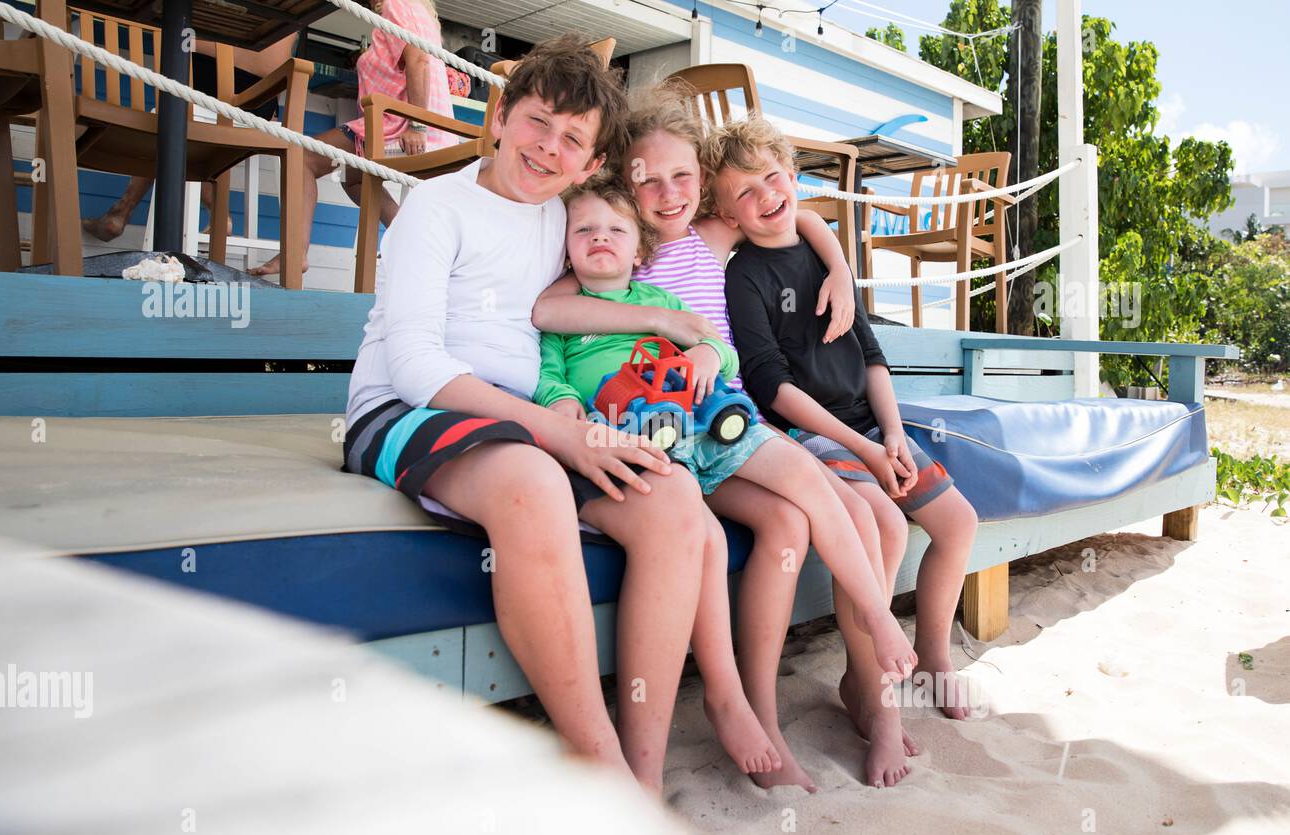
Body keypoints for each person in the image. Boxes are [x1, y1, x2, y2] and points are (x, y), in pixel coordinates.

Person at [342, 35, 713, 794]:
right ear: (502, 115)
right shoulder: (439, 205)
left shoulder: (565, 222)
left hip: (529, 419)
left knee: (673, 498)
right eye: (538, 122)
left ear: (590, 164)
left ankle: (643, 780)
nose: (549, 149)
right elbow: (413, 362)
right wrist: (557, 432)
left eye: (573, 140)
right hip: (407, 408)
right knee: (535, 481)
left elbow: (636, 269)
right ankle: (597, 764)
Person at [533, 86, 912, 788]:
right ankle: (737, 702)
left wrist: (839, 270)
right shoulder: (615, 246)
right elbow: (551, 309)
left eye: (685, 178)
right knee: (757, 519)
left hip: (725, 420)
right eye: (650, 180)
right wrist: (673, 333)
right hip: (654, 433)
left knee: (807, 512)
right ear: (625, 183)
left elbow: (799, 214)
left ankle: (794, 695)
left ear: (703, 185)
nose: (670, 194)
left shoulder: (709, 234)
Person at [710, 115, 981, 770]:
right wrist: (860, 449)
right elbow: (770, 384)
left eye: (772, 178)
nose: (766, 197)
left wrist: (890, 433)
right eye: (744, 194)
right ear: (727, 212)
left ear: (792, 174)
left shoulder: (824, 248)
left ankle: (936, 652)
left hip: (868, 422)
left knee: (958, 521)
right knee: (881, 527)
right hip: (812, 433)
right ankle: (870, 692)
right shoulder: (743, 275)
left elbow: (872, 353)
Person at [248, 0, 459, 277]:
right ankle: (410, 234)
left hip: (406, 133)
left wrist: (417, 126)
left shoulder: (399, 3)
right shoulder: (417, 12)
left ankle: (295, 253)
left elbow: (418, 58)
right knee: (354, 177)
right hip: (430, 134)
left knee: (300, 156)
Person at [82, 34, 298, 243]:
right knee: (181, 122)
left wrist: (190, 39)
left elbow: (185, 37)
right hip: (259, 104)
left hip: (205, 97)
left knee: (172, 120)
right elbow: (274, 62)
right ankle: (218, 213)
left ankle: (123, 210)